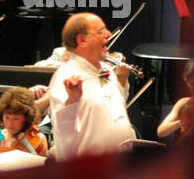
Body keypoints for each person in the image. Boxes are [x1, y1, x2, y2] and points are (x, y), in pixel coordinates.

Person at [46, 13, 136, 159]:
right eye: (100, 31)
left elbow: (116, 107)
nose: (108, 34)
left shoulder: (106, 70)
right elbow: (64, 135)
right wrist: (72, 101)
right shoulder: (66, 75)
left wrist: (122, 82)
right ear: (82, 40)